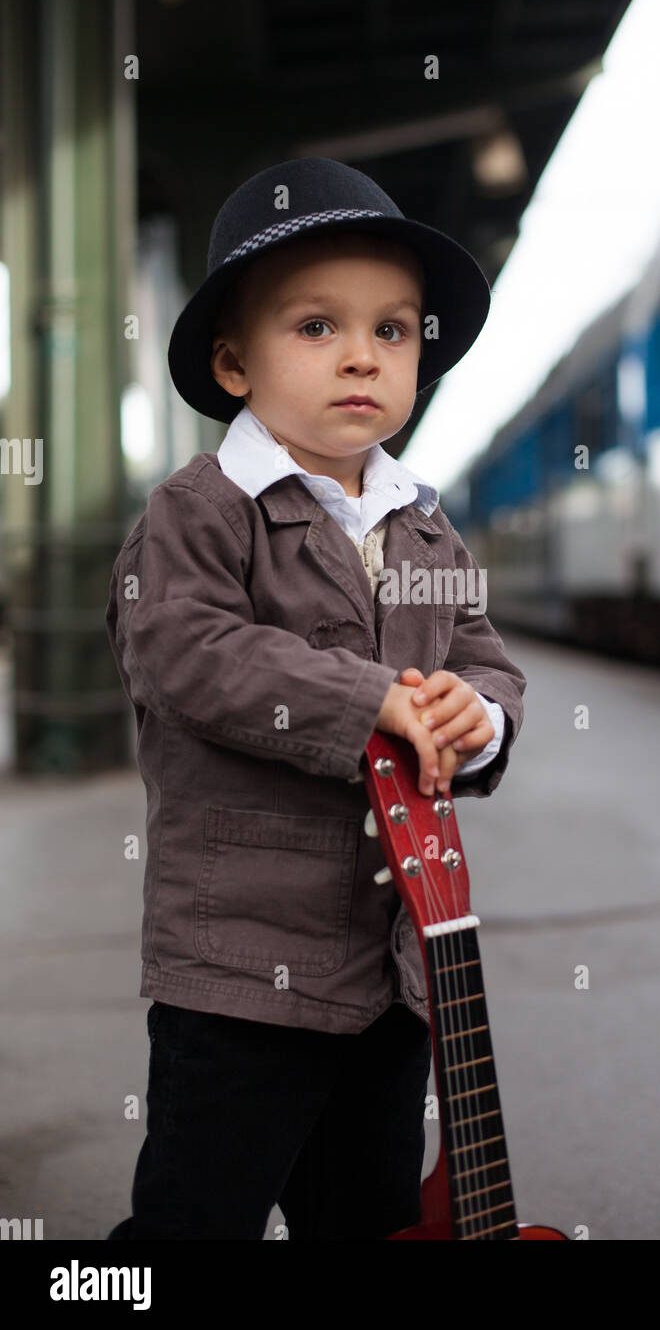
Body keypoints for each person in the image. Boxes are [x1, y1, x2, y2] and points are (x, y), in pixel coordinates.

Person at [104, 157, 526, 1240]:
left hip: (395, 971)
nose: (361, 355)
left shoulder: (423, 524)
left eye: (392, 331)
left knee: (369, 1213)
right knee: (196, 1218)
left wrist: (474, 718)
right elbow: (185, 649)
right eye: (316, 326)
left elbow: (483, 654)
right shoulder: (200, 512)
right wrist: (377, 697)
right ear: (233, 362)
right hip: (239, 976)